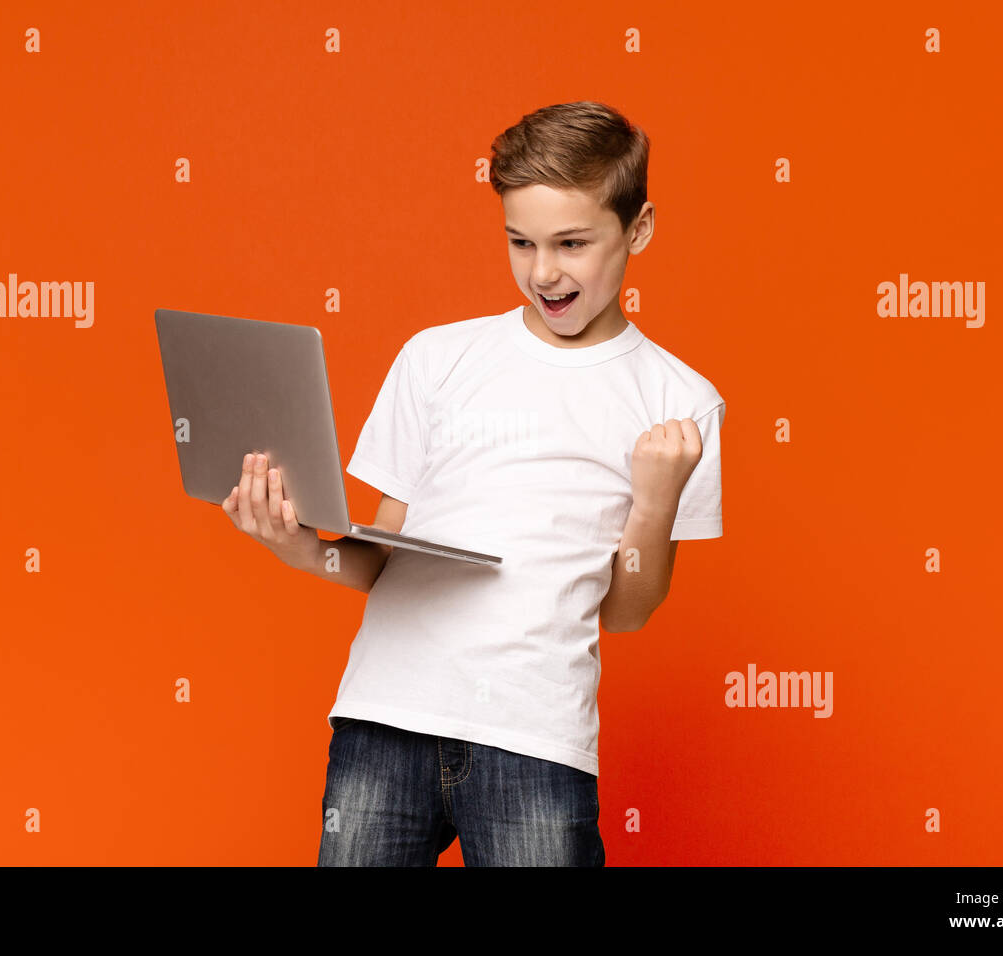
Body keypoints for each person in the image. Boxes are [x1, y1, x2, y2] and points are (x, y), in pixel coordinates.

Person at [223, 101, 725, 866]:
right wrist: (296, 545)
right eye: (520, 242)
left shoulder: (678, 401)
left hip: (534, 739)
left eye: (571, 244)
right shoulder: (436, 358)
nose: (543, 271)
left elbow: (626, 614)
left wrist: (655, 501)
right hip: (384, 718)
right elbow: (379, 560)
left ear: (640, 229)